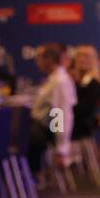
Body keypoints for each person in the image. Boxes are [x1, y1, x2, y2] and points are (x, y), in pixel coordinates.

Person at [28, 43, 76, 173]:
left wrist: (61, 147)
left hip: (43, 131)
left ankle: (33, 175)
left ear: (49, 59)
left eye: (39, 57)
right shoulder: (53, 79)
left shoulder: (60, 81)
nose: (37, 61)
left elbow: (60, 114)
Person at [70, 44, 100, 142]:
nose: (82, 59)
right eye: (79, 56)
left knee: (46, 131)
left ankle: (61, 153)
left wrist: (65, 108)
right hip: (66, 119)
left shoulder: (94, 83)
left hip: (79, 124)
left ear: (93, 60)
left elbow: (85, 110)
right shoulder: (71, 80)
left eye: (86, 56)